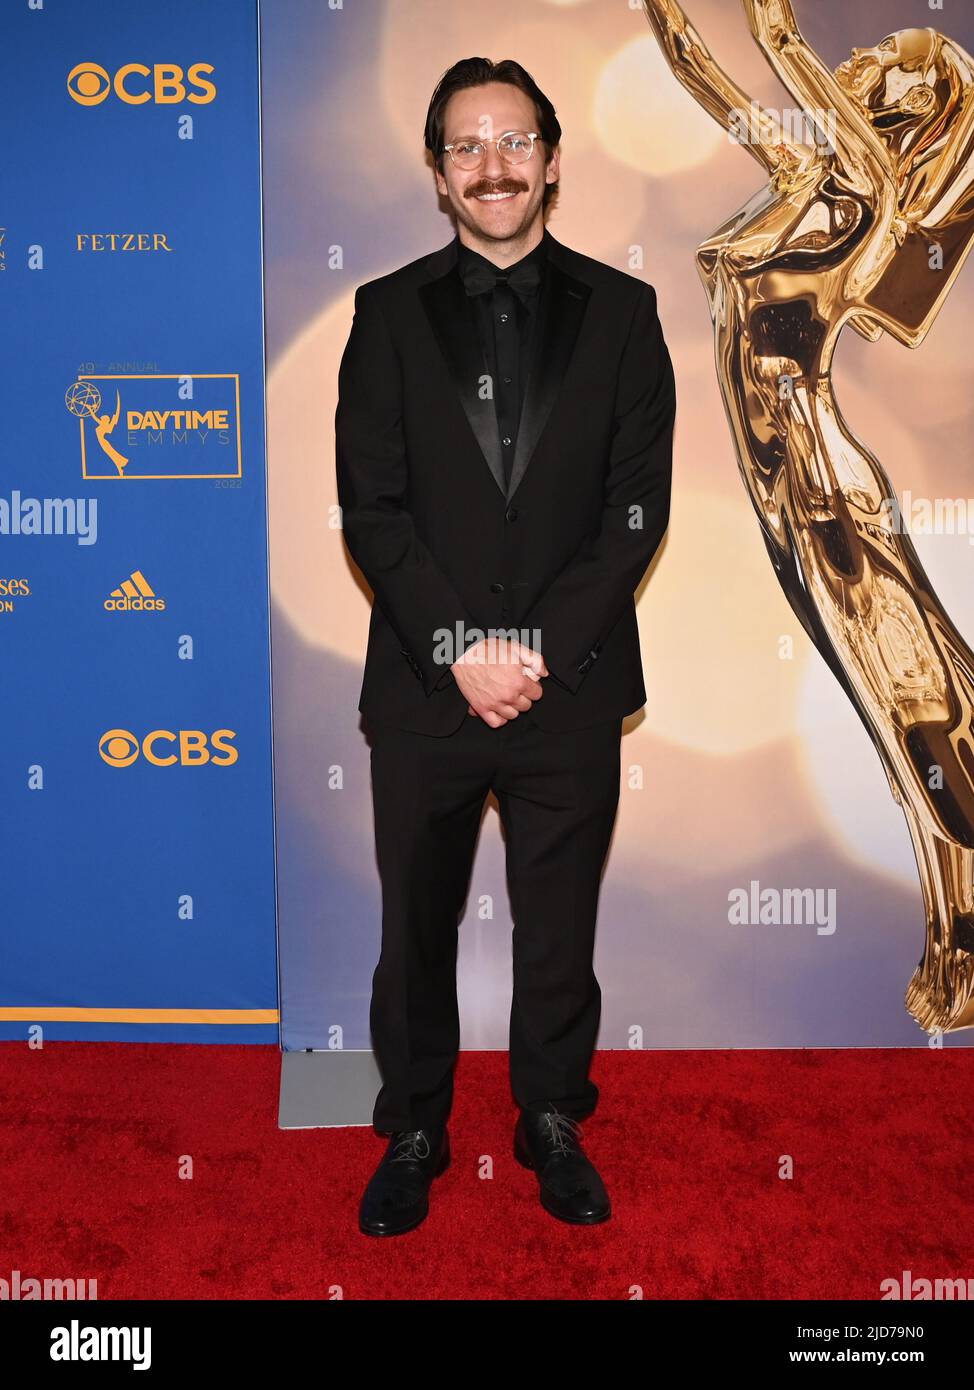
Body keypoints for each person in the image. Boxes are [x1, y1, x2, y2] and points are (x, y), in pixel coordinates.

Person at [335, 55, 676, 1236]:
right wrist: (461, 650)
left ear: (551, 159)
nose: (493, 165)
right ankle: (415, 1124)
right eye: (467, 146)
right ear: (436, 173)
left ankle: (549, 1117)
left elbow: (636, 509)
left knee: (558, 928)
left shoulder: (625, 314)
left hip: (569, 684)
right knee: (412, 928)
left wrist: (531, 651)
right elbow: (371, 509)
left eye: (513, 141)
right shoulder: (382, 315)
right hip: (427, 690)